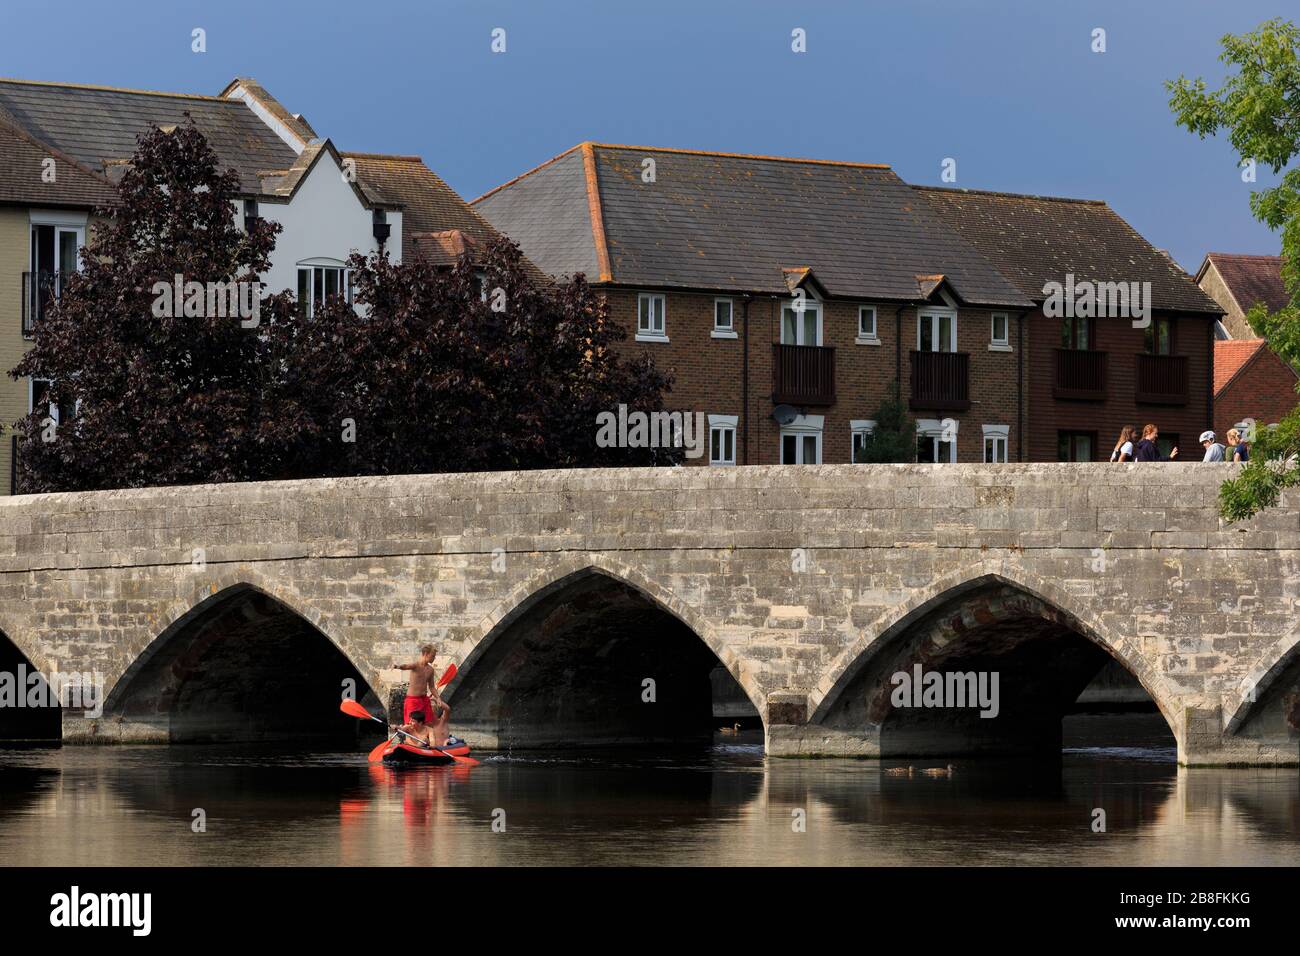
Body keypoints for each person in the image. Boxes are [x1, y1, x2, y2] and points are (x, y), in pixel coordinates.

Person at [393, 644, 438, 725]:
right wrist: (398, 666)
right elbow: (406, 666)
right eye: (433, 656)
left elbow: (431, 687)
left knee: (429, 723)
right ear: (426, 654)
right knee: (411, 725)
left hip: (424, 699)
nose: (434, 658)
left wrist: (438, 698)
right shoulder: (416, 665)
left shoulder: (431, 670)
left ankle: (428, 737)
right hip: (413, 700)